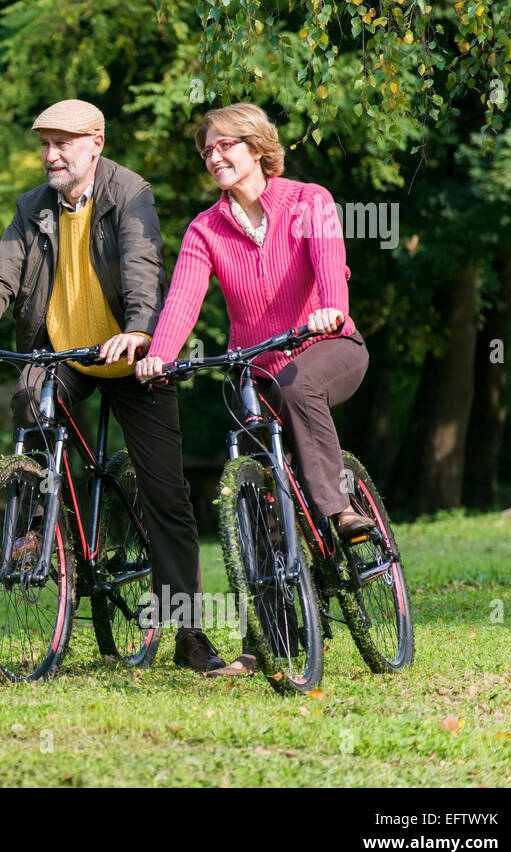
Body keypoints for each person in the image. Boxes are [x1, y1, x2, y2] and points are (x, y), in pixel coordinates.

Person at [0, 98, 224, 672]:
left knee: (165, 494)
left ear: (96, 142)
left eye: (62, 143)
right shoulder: (33, 208)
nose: (50, 155)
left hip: (132, 356)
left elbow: (144, 265)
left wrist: (142, 331)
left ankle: (190, 633)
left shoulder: (130, 194)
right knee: (30, 397)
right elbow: (0, 272)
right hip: (66, 352)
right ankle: (35, 530)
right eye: (44, 144)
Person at [134, 102, 372, 678]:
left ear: (258, 147)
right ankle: (265, 642)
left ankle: (337, 510)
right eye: (207, 150)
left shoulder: (308, 201)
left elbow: (329, 260)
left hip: (329, 346)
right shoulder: (205, 228)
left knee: (297, 387)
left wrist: (328, 308)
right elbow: (184, 299)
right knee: (255, 494)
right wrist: (160, 354)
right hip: (256, 368)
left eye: (225, 145)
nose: (213, 156)